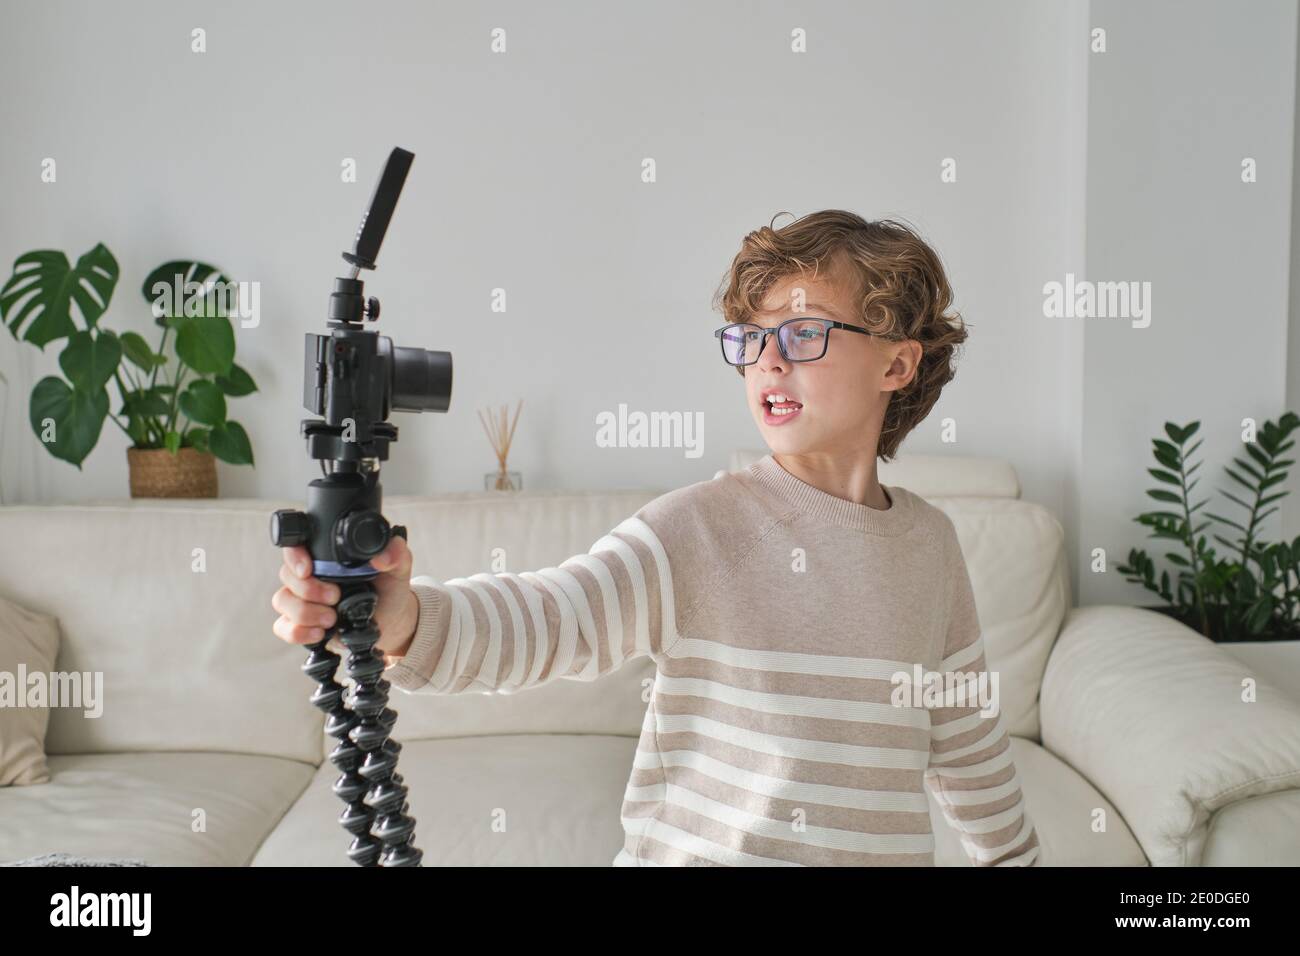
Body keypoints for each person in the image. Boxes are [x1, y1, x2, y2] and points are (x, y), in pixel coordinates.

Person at [271, 209, 1041, 866]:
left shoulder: (930, 548)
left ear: (897, 364)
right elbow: (551, 618)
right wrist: (401, 621)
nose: (766, 358)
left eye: (804, 333)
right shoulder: (700, 528)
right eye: (750, 338)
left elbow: (966, 740)